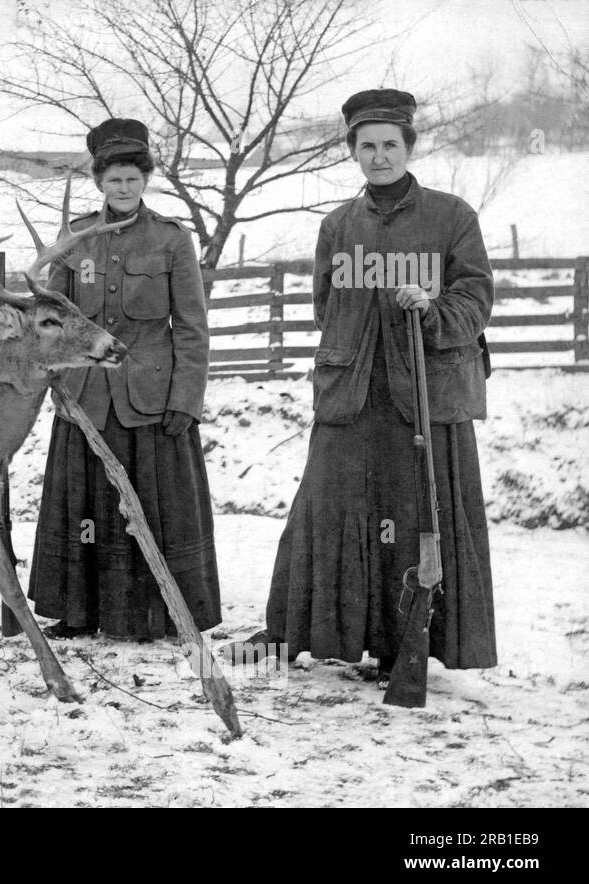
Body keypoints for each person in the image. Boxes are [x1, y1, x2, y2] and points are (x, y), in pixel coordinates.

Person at [229, 89, 497, 675]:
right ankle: (298, 633)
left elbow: (475, 300)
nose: (379, 157)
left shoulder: (452, 217)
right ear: (352, 151)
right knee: (324, 508)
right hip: (352, 396)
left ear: (409, 148)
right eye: (367, 146)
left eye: (390, 146)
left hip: (425, 398)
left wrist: (430, 311)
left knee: (415, 517)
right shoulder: (337, 225)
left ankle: (409, 645)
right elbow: (325, 306)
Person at [28, 118, 221, 641]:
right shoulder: (74, 240)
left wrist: (187, 398)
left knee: (153, 508)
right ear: (100, 183)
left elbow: (192, 327)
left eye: (133, 178)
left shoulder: (171, 240)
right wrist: (55, 384)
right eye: (114, 179)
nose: (124, 188)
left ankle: (157, 614)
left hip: (152, 400)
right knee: (86, 508)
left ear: (145, 180)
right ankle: (79, 611)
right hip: (87, 399)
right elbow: (53, 322)